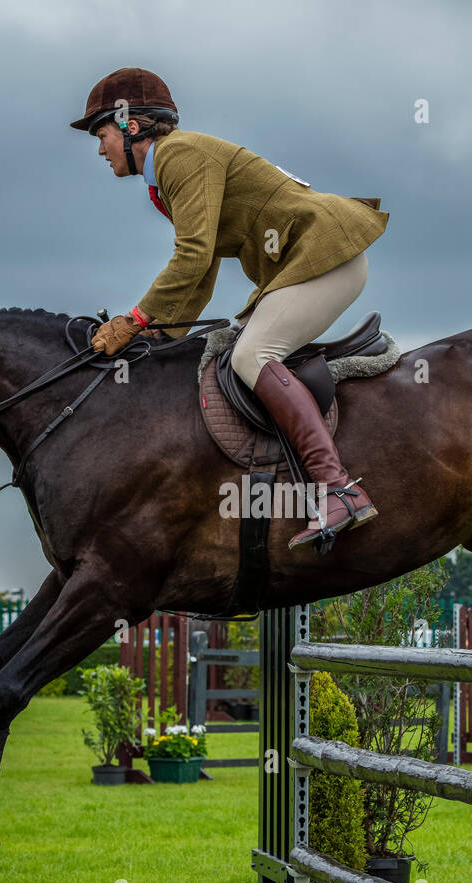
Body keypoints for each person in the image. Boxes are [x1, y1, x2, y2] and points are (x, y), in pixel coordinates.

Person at [71, 67, 387, 550]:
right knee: (234, 347)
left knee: (250, 356)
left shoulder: (178, 155)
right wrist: (162, 335)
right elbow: (204, 265)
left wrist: (135, 319)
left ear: (130, 126)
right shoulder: (171, 168)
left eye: (102, 134)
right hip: (312, 261)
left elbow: (192, 255)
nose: (99, 149)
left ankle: (337, 488)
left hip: (327, 257)